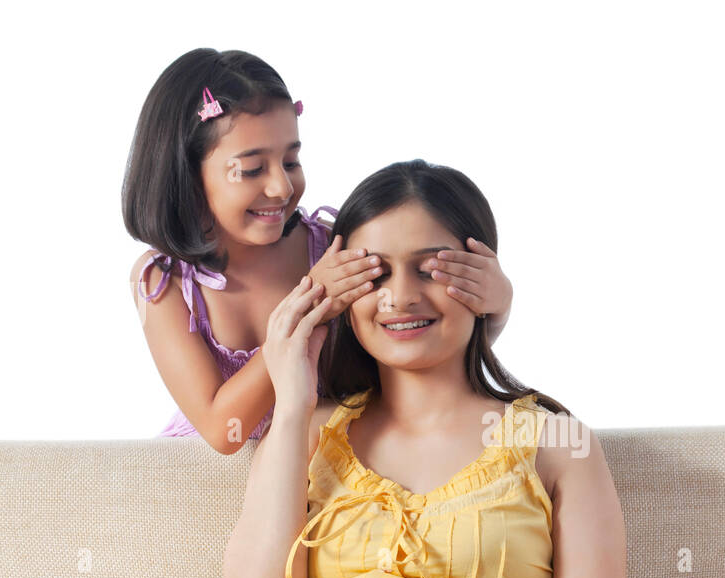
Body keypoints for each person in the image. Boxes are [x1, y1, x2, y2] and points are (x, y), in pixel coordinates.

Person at [103, 160, 702, 578]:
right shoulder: (312, 430)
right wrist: (293, 395)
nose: (400, 296)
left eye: (431, 268)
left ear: (481, 280)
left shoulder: (556, 441)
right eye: (375, 272)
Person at [121, 49, 516, 453]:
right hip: (206, 480)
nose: (281, 187)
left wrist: (496, 308)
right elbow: (226, 431)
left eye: (291, 161)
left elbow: (420, 345)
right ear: (187, 174)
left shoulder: (330, 248)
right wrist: (310, 304)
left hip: (328, 469)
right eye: (254, 169)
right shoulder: (163, 282)